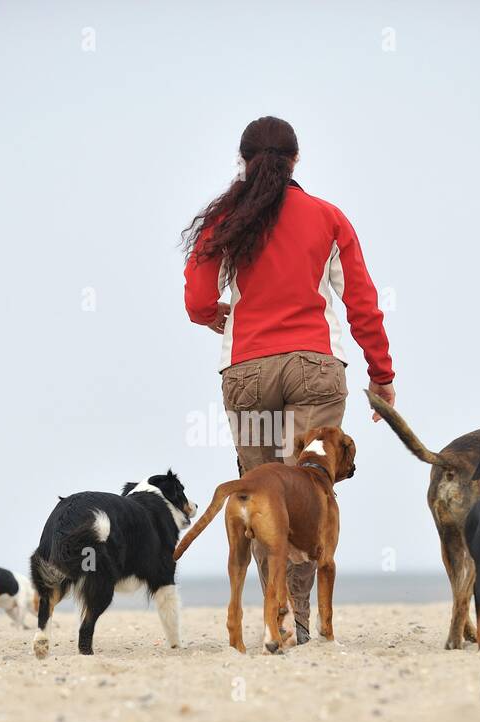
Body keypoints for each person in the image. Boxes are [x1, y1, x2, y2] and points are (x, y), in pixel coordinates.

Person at [182, 115, 396, 644]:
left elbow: (196, 300)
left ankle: (274, 615)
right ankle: (300, 619)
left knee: (261, 500)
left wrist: (216, 315)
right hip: (316, 371)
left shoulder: (226, 221)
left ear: (242, 160)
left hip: (248, 373)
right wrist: (381, 374)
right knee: (307, 496)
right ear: (296, 160)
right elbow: (362, 301)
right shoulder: (328, 217)